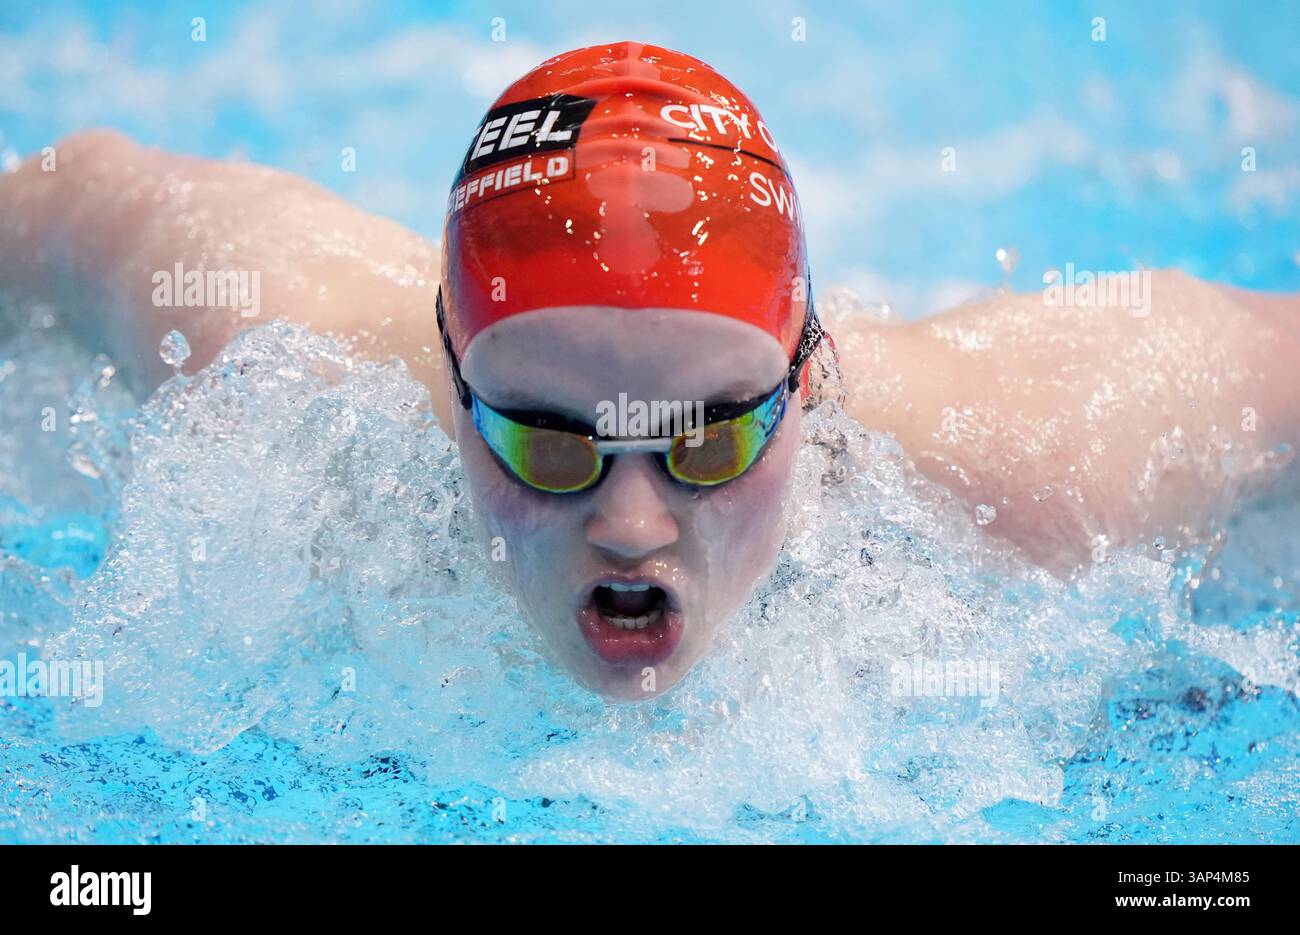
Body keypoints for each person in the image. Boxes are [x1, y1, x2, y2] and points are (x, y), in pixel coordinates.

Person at [1, 41, 1297, 701]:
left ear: (814, 377)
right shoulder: (279, 348)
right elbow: (62, 203)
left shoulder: (1047, 460)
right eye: (550, 442)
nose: (629, 524)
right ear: (448, 384)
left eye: (711, 440)